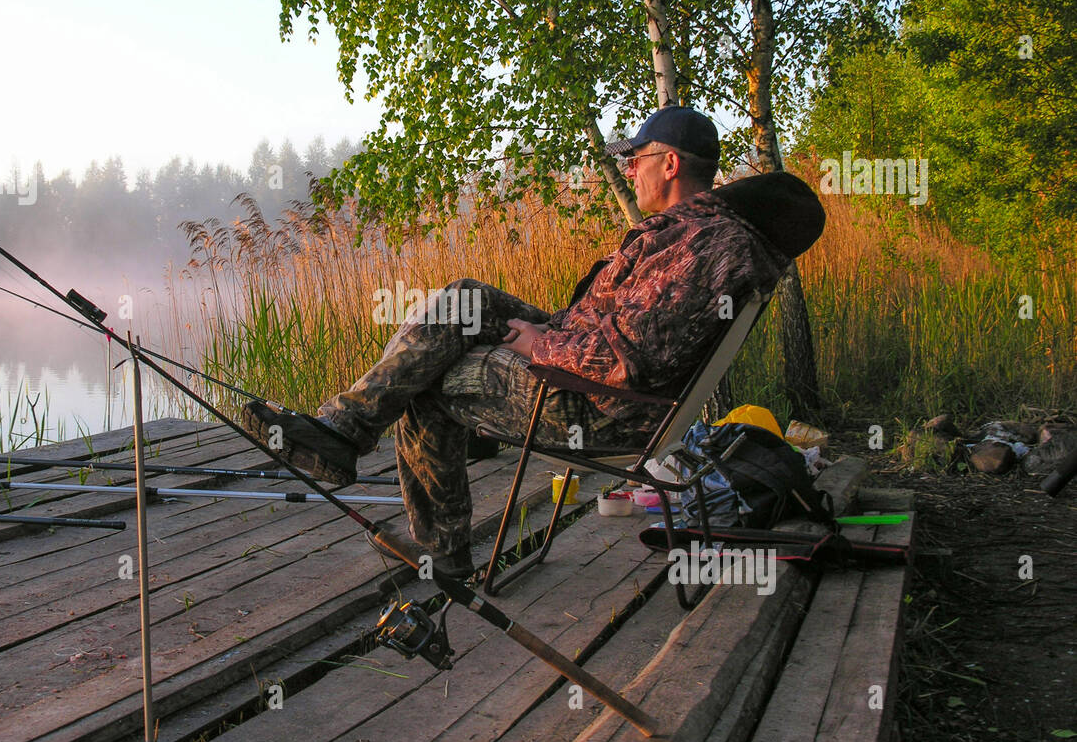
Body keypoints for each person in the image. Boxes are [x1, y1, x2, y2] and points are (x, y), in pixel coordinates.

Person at [242, 106, 825, 577]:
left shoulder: (702, 248)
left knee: (433, 383)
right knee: (466, 299)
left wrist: (536, 346)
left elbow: (627, 362)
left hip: (597, 409)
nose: (630, 171)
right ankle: (343, 429)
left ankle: (438, 546)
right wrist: (549, 333)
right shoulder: (702, 235)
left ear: (669, 164)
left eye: (638, 160)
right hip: (584, 375)